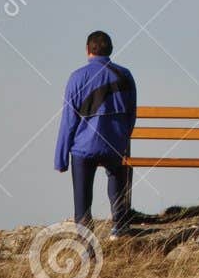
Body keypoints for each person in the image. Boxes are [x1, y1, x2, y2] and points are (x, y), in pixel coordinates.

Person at [54, 30, 138, 239]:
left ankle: (83, 230)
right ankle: (119, 225)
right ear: (110, 50)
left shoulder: (77, 77)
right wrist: (122, 138)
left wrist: (61, 158)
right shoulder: (125, 75)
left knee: (82, 190)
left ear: (87, 50)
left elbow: (68, 121)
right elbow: (131, 114)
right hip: (115, 146)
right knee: (119, 173)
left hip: (84, 148)